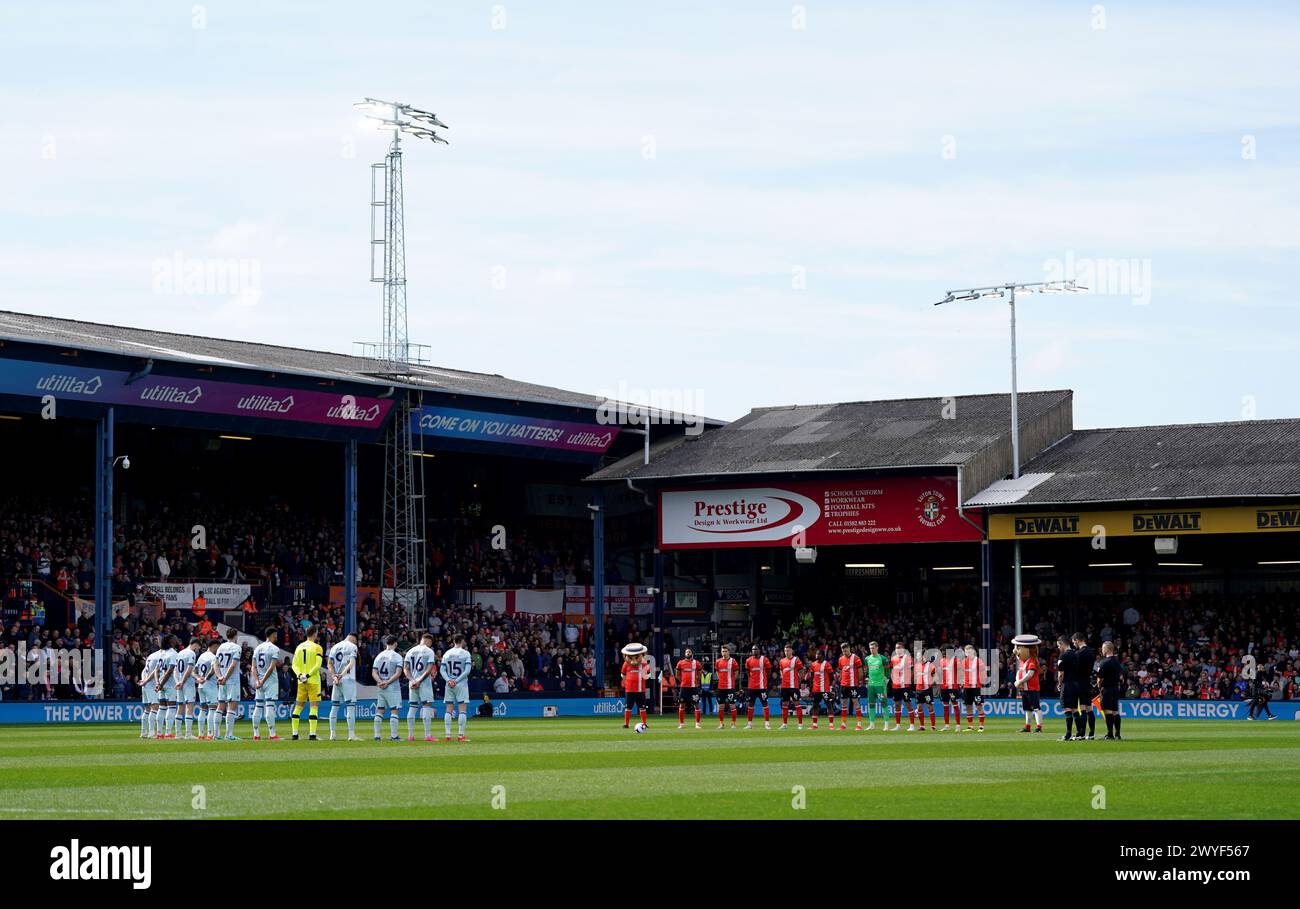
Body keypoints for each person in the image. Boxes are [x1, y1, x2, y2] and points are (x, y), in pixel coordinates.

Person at [289, 625, 324, 741]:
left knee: (298, 707)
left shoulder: (299, 647)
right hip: (313, 681)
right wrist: (308, 675)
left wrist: (300, 675)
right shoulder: (317, 647)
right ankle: (312, 734)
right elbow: (317, 665)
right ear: (315, 633)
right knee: (313, 707)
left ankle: (294, 734)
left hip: (301, 681)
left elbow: (294, 665)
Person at [403, 633, 438, 742]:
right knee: (427, 706)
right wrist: (419, 680)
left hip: (412, 683)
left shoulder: (410, 651)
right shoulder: (429, 651)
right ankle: (427, 735)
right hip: (424, 683)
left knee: (412, 707)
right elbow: (428, 670)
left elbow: (406, 669)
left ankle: (410, 735)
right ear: (430, 641)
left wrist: (412, 680)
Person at [250, 629, 282, 741]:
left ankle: (256, 734)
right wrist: (263, 681)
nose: (276, 638)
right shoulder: (274, 649)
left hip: (259, 681)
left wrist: (257, 680)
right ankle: (272, 734)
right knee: (270, 706)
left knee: (258, 706)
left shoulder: (257, 648)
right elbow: (272, 667)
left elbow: (253, 667)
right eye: (276, 636)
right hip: (270, 681)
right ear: (272, 635)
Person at [327, 632, 359, 741]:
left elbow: (329, 663)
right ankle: (351, 735)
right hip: (348, 679)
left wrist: (334, 676)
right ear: (354, 639)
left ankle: (332, 734)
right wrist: (341, 675)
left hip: (336, 680)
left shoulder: (334, 647)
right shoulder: (352, 646)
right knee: (350, 706)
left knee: (334, 707)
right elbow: (351, 663)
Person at [441, 634, 473, 742]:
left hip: (449, 684)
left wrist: (449, 680)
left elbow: (442, 670)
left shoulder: (447, 653)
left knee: (449, 709)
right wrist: (456, 680)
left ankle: (448, 735)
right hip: (461, 684)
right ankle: (460, 735)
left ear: (454, 641)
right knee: (462, 709)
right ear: (462, 641)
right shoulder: (465, 654)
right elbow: (467, 671)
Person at [372, 635, 404, 741]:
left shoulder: (379, 656)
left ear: (386, 643)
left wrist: (380, 681)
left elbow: (374, 672)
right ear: (395, 643)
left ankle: (377, 735)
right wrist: (387, 682)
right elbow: (398, 673)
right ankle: (394, 736)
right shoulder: (397, 657)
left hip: (381, 687)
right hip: (392, 687)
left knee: (380, 710)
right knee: (394, 710)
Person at [214, 628, 243, 741]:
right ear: (235, 636)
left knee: (220, 706)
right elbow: (233, 665)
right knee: (232, 706)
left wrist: (219, 677)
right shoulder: (237, 647)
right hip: (232, 680)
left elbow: (215, 664)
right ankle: (229, 735)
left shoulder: (221, 647)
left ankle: (216, 734)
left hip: (221, 680)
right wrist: (225, 678)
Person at [1012, 634, 1043, 733]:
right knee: (1028, 709)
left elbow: (1030, 674)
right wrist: (1017, 681)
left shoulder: (1032, 661)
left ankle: (1039, 727)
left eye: (1018, 648)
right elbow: (1019, 672)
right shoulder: (1022, 662)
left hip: (1032, 689)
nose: (1016, 650)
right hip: (1024, 689)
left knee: (1036, 708)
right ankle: (1027, 726)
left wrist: (1020, 681)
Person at [173, 637, 202, 739]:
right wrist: (182, 682)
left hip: (179, 683)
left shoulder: (180, 653)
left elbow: (175, 670)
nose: (197, 650)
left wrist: (177, 682)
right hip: (187, 684)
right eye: (198, 647)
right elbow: (189, 670)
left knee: (180, 707)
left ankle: (178, 734)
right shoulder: (191, 654)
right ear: (195, 644)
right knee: (189, 707)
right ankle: (188, 734)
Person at [1096, 640, 1125, 740]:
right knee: (1115, 711)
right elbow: (1121, 677)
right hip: (1115, 689)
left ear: (1107, 649)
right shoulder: (1117, 662)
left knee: (1108, 711)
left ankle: (1110, 734)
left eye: (1103, 648)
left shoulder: (1104, 662)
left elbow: (1099, 679)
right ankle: (1118, 734)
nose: (1102, 650)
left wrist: (1099, 686)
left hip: (1107, 689)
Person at [1071, 632, 1097, 739]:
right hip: (1087, 682)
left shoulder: (1079, 653)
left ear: (1077, 640)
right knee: (1089, 708)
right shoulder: (1091, 651)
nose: (1073, 644)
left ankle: (1081, 733)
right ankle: (1091, 733)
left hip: (1079, 682)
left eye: (1073, 642)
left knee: (1082, 708)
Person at [620, 643, 650, 730]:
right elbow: (623, 675)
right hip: (629, 690)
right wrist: (628, 682)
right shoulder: (626, 664)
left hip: (640, 690)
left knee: (642, 707)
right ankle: (626, 724)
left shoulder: (644, 664)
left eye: (637, 656)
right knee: (628, 707)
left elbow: (648, 676)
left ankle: (644, 723)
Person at [156, 635, 180, 739]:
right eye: (175, 638)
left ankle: (159, 733)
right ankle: (168, 732)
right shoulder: (173, 653)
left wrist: (158, 683)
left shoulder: (162, 653)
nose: (177, 640)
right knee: (171, 708)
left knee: (161, 708)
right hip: (169, 685)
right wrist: (161, 684)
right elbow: (170, 671)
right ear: (171, 641)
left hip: (161, 684)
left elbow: (156, 670)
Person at [194, 638, 219, 740]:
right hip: (210, 685)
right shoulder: (213, 657)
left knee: (203, 709)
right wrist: (206, 678)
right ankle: (210, 733)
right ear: (215, 646)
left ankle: (200, 734)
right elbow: (213, 670)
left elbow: (194, 670)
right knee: (212, 709)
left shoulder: (201, 656)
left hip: (201, 686)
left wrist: (198, 679)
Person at [744, 644, 772, 731]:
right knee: (750, 704)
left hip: (762, 686)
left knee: (765, 704)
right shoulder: (748, 660)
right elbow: (747, 671)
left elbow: (768, 671)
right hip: (752, 687)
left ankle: (767, 723)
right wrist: (752, 679)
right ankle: (749, 724)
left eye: (755, 649)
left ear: (759, 650)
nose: (753, 651)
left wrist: (764, 680)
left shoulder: (765, 659)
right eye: (752, 649)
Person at [838, 642, 866, 731]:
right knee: (844, 704)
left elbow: (860, 671)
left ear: (849, 648)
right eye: (842, 650)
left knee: (855, 703)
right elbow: (841, 670)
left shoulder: (855, 658)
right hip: (844, 685)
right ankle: (843, 724)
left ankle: (859, 724)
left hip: (853, 685)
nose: (844, 651)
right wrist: (840, 678)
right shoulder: (841, 659)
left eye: (845, 649)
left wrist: (860, 681)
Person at [807, 647, 836, 731]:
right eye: (816, 654)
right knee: (815, 706)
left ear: (822, 656)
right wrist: (811, 687)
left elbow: (831, 677)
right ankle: (815, 725)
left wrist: (830, 686)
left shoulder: (827, 664)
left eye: (818, 654)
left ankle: (831, 725)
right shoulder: (813, 664)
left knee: (829, 705)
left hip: (825, 689)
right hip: (816, 690)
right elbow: (812, 677)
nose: (816, 655)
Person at [140, 638, 163, 739]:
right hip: (151, 683)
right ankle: (151, 732)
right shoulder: (161, 656)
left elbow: (145, 670)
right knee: (155, 707)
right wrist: (148, 681)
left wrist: (143, 680)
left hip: (145, 683)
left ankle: (143, 732)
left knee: (147, 709)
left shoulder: (151, 655)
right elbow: (155, 671)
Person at [960, 643, 986, 732]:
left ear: (973, 652)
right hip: (967, 687)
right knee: (968, 706)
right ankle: (970, 726)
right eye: (966, 652)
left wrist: (981, 681)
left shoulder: (978, 661)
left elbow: (984, 673)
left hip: (976, 687)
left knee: (979, 706)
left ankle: (981, 726)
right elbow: (962, 673)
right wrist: (962, 682)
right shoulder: (963, 662)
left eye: (969, 651)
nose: (967, 653)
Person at [777, 644, 804, 730]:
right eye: (785, 651)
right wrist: (782, 677)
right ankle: (785, 724)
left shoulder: (796, 659)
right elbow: (781, 670)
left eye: (788, 650)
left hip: (793, 686)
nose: (786, 652)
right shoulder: (782, 661)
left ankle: (800, 724)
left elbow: (801, 671)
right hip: (785, 686)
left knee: (797, 704)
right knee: (785, 704)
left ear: (792, 651)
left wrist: (798, 682)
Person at [863, 641, 889, 731]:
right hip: (871, 685)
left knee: (884, 704)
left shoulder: (883, 658)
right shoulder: (867, 659)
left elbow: (888, 671)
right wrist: (867, 679)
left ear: (877, 648)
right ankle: (872, 725)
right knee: (871, 704)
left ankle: (886, 725)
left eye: (873, 648)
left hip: (880, 685)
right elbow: (866, 671)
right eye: (870, 648)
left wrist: (886, 681)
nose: (871, 650)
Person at [675, 648, 703, 729]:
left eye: (689, 652)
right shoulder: (680, 663)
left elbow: (700, 675)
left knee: (696, 705)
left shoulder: (696, 663)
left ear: (692, 653)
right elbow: (677, 675)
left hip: (694, 687)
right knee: (682, 705)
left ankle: (697, 724)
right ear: (684, 654)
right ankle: (681, 724)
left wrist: (696, 682)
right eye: (686, 652)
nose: (687, 653)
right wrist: (683, 681)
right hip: (684, 688)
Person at [714, 645, 740, 729]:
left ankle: (733, 724)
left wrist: (731, 681)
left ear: (729, 652)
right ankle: (721, 724)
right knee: (721, 706)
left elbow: (736, 674)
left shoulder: (733, 661)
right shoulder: (718, 662)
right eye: (722, 651)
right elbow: (717, 673)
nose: (724, 653)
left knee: (732, 705)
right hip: (720, 687)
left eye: (725, 651)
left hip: (730, 687)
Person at [911, 651, 937, 731]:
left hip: (927, 690)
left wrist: (931, 684)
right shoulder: (916, 666)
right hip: (919, 690)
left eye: (919, 656)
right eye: (917, 656)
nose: (918, 658)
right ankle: (922, 726)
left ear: (923, 656)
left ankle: (933, 726)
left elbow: (935, 677)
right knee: (919, 708)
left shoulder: (931, 665)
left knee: (930, 707)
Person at [939, 646, 962, 731]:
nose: (944, 653)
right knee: (945, 706)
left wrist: (960, 682)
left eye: (945, 651)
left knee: (955, 705)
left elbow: (960, 671)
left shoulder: (955, 660)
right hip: (944, 687)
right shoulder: (941, 661)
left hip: (953, 686)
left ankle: (958, 725)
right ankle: (946, 725)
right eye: (943, 651)